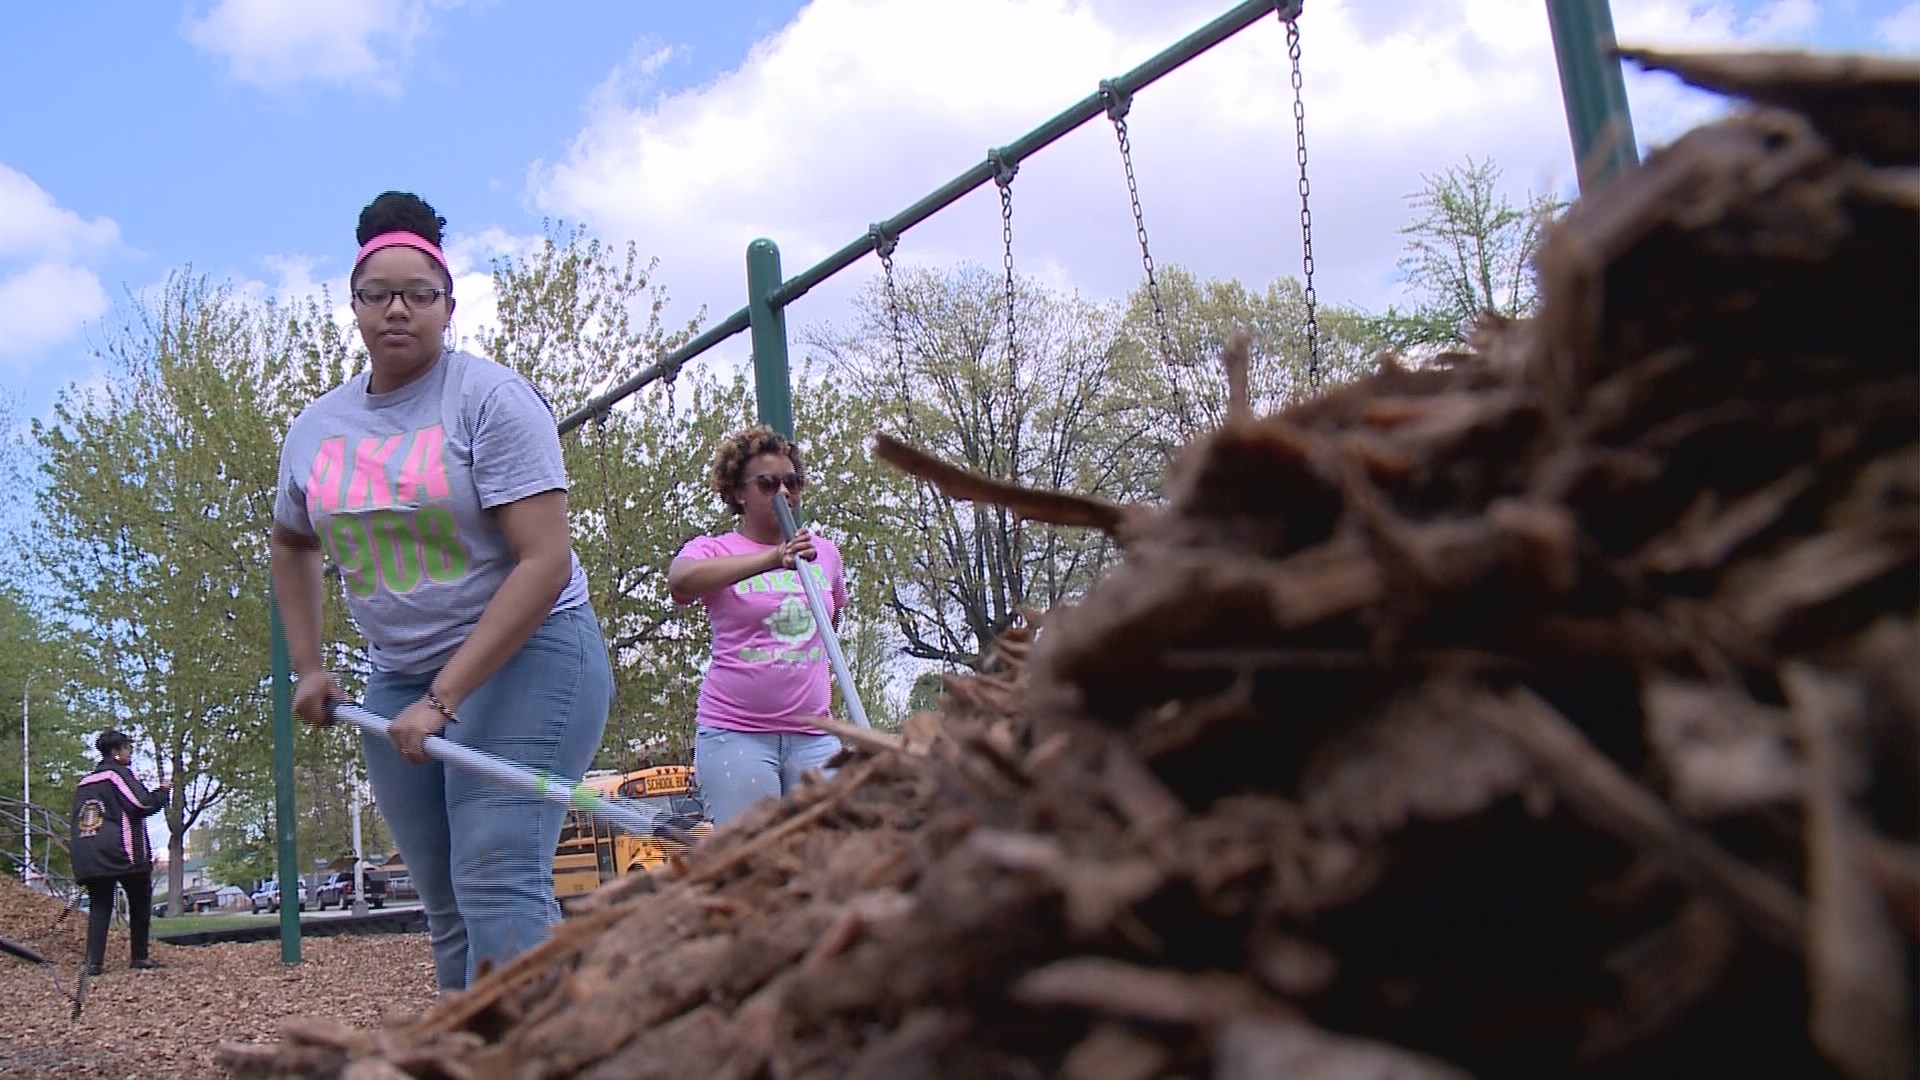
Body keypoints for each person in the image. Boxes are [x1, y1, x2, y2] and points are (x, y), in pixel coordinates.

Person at [269, 190, 612, 993]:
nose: (398, 310)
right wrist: (309, 664)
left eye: (418, 295)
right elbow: (291, 541)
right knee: (450, 904)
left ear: (448, 305)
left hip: (531, 655)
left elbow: (545, 562)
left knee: (496, 872)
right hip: (399, 673)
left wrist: (445, 698)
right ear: (352, 306)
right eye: (378, 294)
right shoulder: (317, 430)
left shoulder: (489, 399)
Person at [668, 424, 848, 826]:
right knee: (756, 860)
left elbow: (829, 623)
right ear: (738, 493)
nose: (783, 492)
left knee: (833, 852)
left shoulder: (826, 554)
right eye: (767, 484)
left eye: (792, 482)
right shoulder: (715, 549)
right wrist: (772, 559)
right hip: (736, 735)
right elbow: (680, 583)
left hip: (814, 733)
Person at [70, 729, 170, 976]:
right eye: (127, 748)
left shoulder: (84, 782)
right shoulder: (116, 775)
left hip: (87, 852)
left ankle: (93, 963)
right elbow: (141, 804)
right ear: (115, 752)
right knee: (139, 901)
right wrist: (162, 792)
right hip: (121, 852)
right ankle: (139, 957)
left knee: (100, 906)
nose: (130, 753)